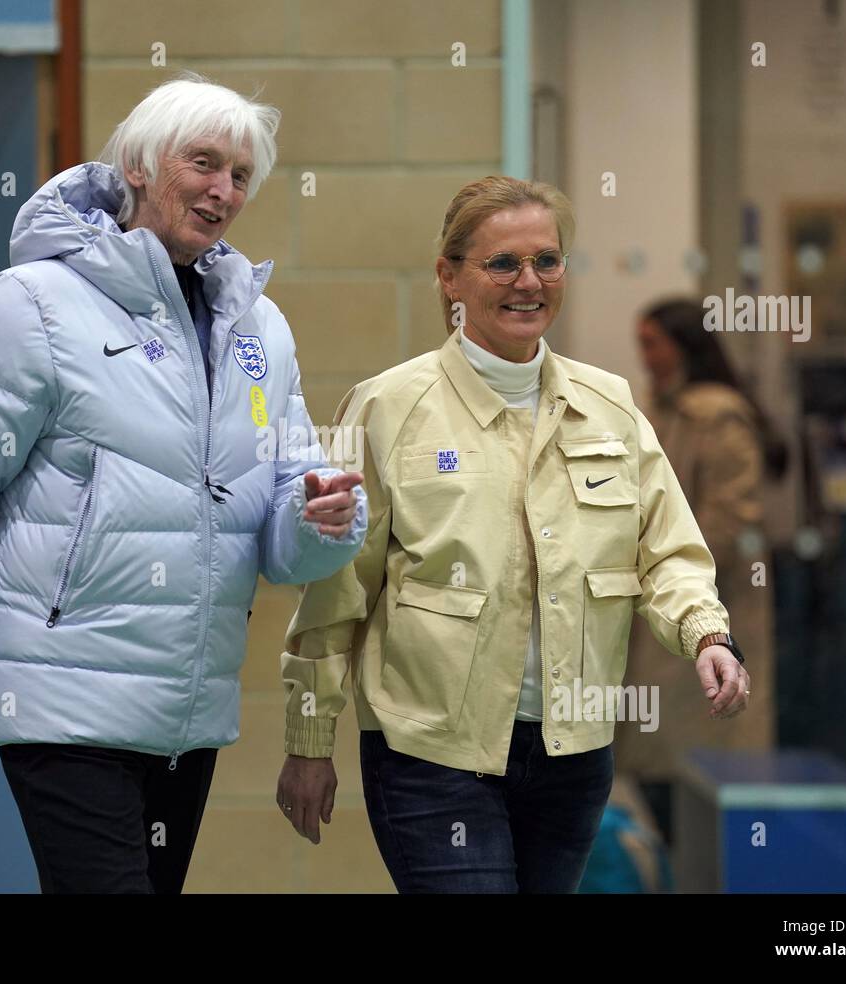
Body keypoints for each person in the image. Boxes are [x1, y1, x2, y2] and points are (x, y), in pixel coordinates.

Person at [0, 73, 367, 894]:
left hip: (186, 716)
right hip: (62, 703)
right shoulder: (35, 304)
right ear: (137, 165)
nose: (224, 190)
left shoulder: (257, 328)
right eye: (203, 163)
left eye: (240, 175)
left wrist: (323, 520)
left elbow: (281, 547)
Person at [274, 175, 750, 893]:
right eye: (503, 263)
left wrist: (706, 635)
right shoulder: (387, 406)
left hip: (574, 754)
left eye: (547, 261)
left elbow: (667, 552)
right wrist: (309, 740)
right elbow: (335, 592)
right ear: (450, 276)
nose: (529, 282)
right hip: (432, 755)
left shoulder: (609, 406)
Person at [614, 297, 786, 844]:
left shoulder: (715, 415)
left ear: (682, 345)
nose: (644, 355)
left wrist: (668, 558)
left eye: (652, 342)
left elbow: (732, 517)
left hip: (709, 601)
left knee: (701, 768)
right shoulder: (662, 410)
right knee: (661, 768)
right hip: (663, 605)